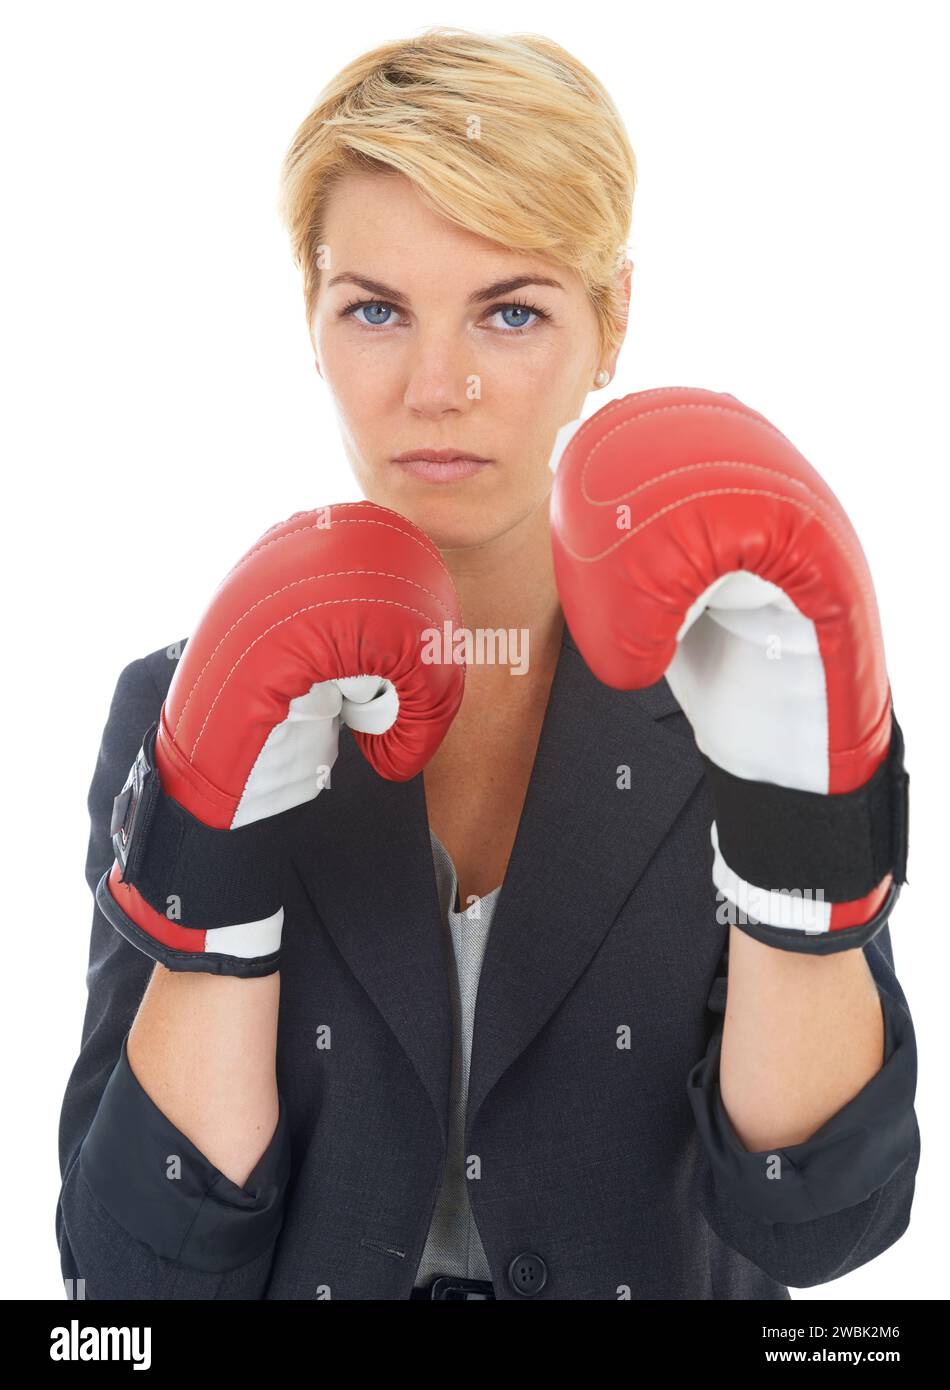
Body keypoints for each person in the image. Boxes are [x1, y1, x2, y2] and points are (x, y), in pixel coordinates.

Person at [56, 26, 918, 1301]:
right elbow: (130, 1296)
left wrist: (796, 830)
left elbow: (820, 1223)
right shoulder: (174, 703)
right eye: (376, 309)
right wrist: (211, 912)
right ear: (310, 316)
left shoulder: (750, 677)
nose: (437, 385)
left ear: (610, 322)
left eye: (510, 310)